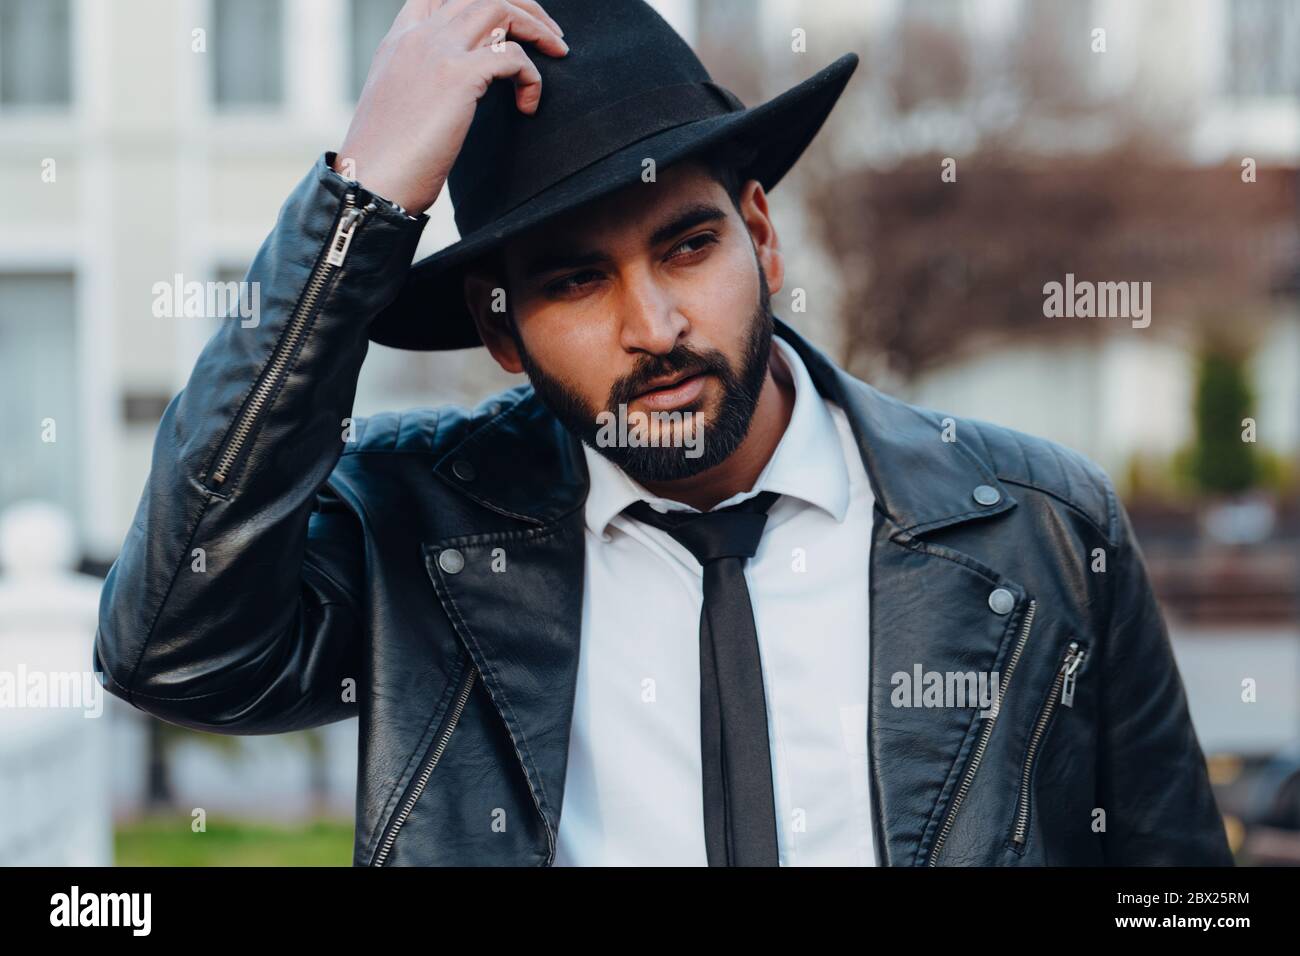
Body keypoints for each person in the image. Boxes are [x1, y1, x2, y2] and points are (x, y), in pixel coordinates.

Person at [94, 0, 1233, 866]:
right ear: (502, 329)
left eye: (687, 245)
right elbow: (169, 647)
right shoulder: (420, 534)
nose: (656, 325)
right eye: (579, 279)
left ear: (762, 240)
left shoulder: (1040, 524)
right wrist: (358, 207)